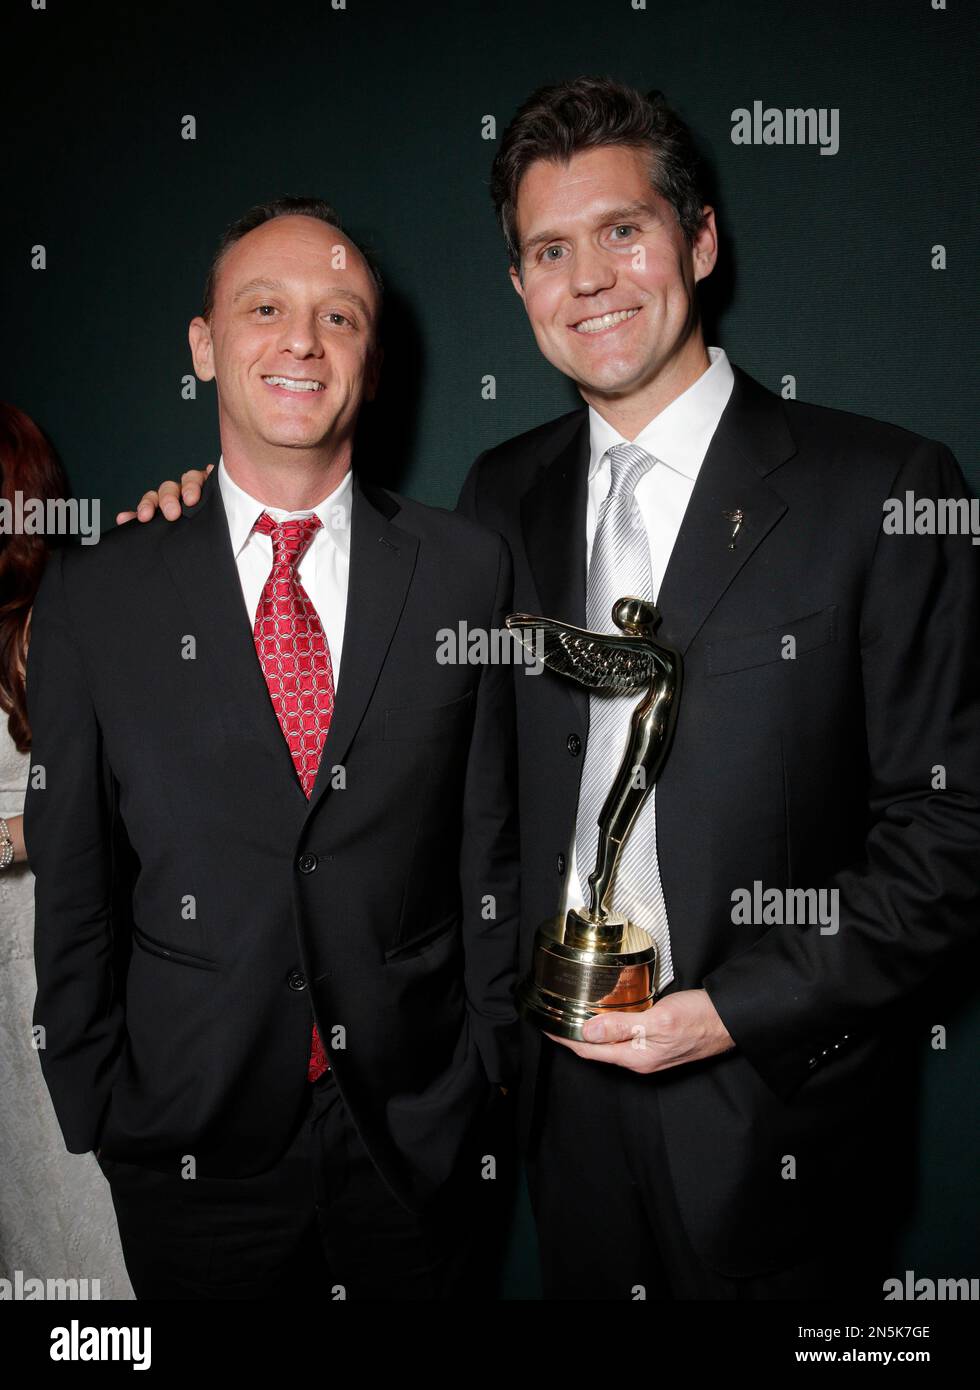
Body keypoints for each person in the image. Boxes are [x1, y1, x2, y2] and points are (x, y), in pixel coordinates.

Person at [130, 80, 980, 1300]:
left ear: (698, 240)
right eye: (547, 250)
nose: (587, 279)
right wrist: (208, 524)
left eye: (621, 231)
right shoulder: (495, 502)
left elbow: (950, 832)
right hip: (555, 1113)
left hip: (775, 1113)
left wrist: (726, 1012)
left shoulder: (880, 488)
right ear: (519, 284)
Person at [25, 197, 519, 1301]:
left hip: (416, 1138)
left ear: (372, 364)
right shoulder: (97, 593)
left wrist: (493, 1065)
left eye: (338, 316)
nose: (301, 340)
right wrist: (93, 1099)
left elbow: (488, 847)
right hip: (186, 1147)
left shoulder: (464, 572)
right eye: (264, 309)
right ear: (204, 346)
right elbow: (75, 882)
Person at [0, 403, 133, 1297]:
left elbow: (120, 805)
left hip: (43, 941)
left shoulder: (64, 616)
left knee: (72, 1202)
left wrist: (8, 836)